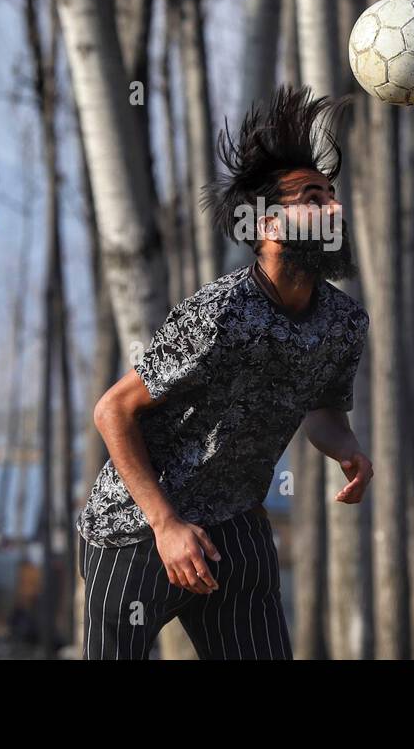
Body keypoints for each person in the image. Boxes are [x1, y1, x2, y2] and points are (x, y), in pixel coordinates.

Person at [76, 84, 374, 660]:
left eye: (332, 196)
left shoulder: (344, 321)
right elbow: (113, 410)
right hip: (137, 529)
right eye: (311, 196)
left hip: (236, 526)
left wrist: (346, 448)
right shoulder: (221, 312)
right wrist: (165, 524)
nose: (333, 208)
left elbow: (322, 407)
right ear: (266, 225)